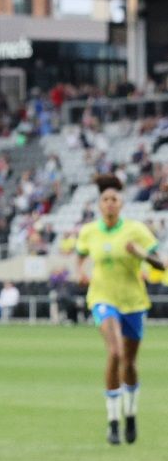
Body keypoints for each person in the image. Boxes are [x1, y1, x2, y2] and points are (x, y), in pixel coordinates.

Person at [75, 174, 165, 444]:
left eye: (114, 199)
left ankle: (131, 413)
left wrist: (141, 254)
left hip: (134, 302)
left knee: (130, 363)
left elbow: (160, 264)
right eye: (105, 200)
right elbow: (79, 257)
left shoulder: (136, 230)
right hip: (102, 298)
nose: (110, 204)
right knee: (114, 352)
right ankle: (113, 421)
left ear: (121, 204)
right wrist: (80, 271)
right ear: (99, 205)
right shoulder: (89, 231)